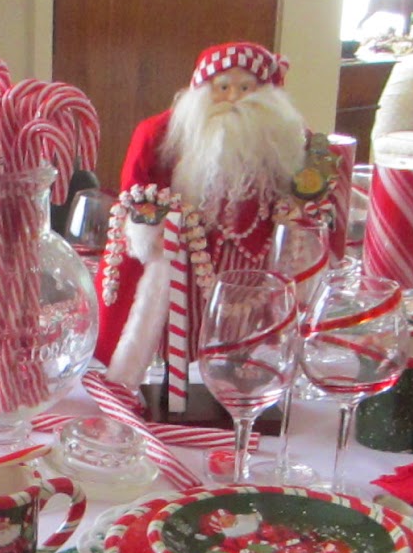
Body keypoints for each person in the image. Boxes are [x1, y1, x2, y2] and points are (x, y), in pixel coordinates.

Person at [95, 42, 331, 381]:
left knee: (249, 326)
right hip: (184, 258)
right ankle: (176, 380)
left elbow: (312, 188)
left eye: (246, 88)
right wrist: (149, 224)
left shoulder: (288, 139)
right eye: (222, 87)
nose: (234, 97)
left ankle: (243, 373)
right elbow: (135, 188)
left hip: (256, 259)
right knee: (176, 325)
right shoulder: (161, 134)